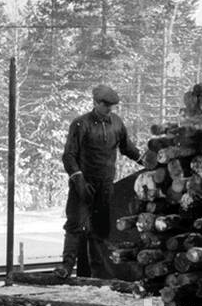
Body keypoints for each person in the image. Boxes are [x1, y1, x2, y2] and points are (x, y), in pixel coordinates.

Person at [59, 84, 141, 278]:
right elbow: (69, 156)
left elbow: (127, 148)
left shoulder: (117, 123)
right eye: (105, 105)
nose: (109, 109)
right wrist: (78, 180)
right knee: (75, 225)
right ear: (95, 103)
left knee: (100, 230)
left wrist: (144, 160)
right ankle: (66, 267)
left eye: (112, 106)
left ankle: (98, 274)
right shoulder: (81, 124)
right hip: (83, 184)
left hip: (105, 185)